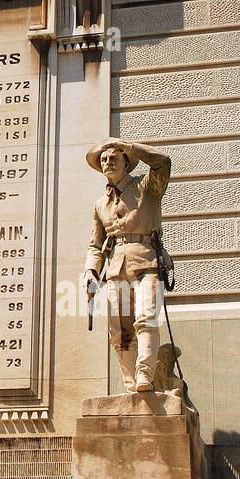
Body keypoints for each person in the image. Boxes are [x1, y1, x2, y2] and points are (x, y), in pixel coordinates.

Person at [84, 139, 172, 393]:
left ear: (126, 162)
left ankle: (145, 374)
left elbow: (162, 162)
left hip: (147, 261)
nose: (108, 162)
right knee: (120, 331)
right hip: (116, 270)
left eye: (113, 157)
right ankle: (131, 384)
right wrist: (91, 270)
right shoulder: (100, 204)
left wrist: (128, 145)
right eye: (103, 160)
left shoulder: (147, 187)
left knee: (146, 319)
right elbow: (95, 244)